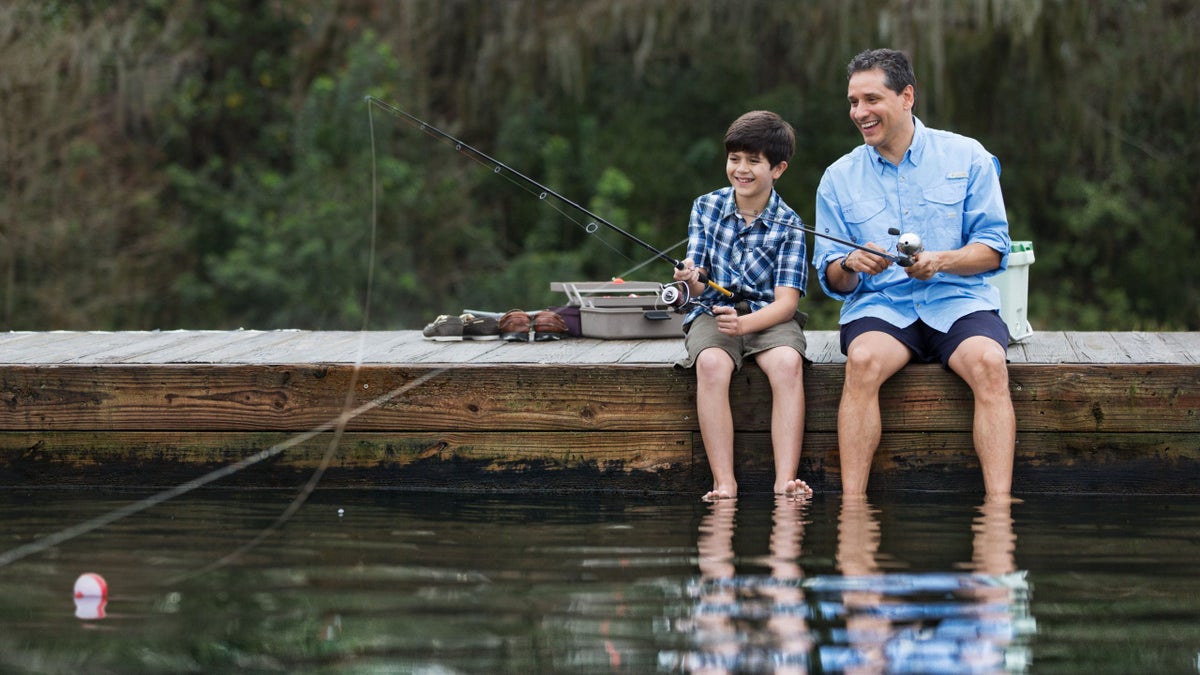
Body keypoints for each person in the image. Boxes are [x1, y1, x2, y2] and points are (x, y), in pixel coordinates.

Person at [814, 48, 1016, 496]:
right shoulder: (837, 177)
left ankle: (999, 510)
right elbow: (832, 279)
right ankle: (853, 508)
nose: (859, 112)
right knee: (862, 361)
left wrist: (941, 261)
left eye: (871, 99)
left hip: (958, 302)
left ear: (907, 97)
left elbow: (994, 249)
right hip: (882, 308)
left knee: (989, 363)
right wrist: (850, 263)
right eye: (853, 102)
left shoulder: (968, 156)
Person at [673, 110, 812, 502]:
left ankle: (785, 482)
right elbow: (699, 279)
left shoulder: (791, 224)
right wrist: (690, 278)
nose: (741, 169)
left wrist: (746, 325)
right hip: (713, 312)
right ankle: (725, 483)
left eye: (754, 161)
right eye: (734, 158)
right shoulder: (705, 207)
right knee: (711, 364)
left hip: (770, 316)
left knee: (787, 364)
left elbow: (786, 304)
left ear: (778, 169)